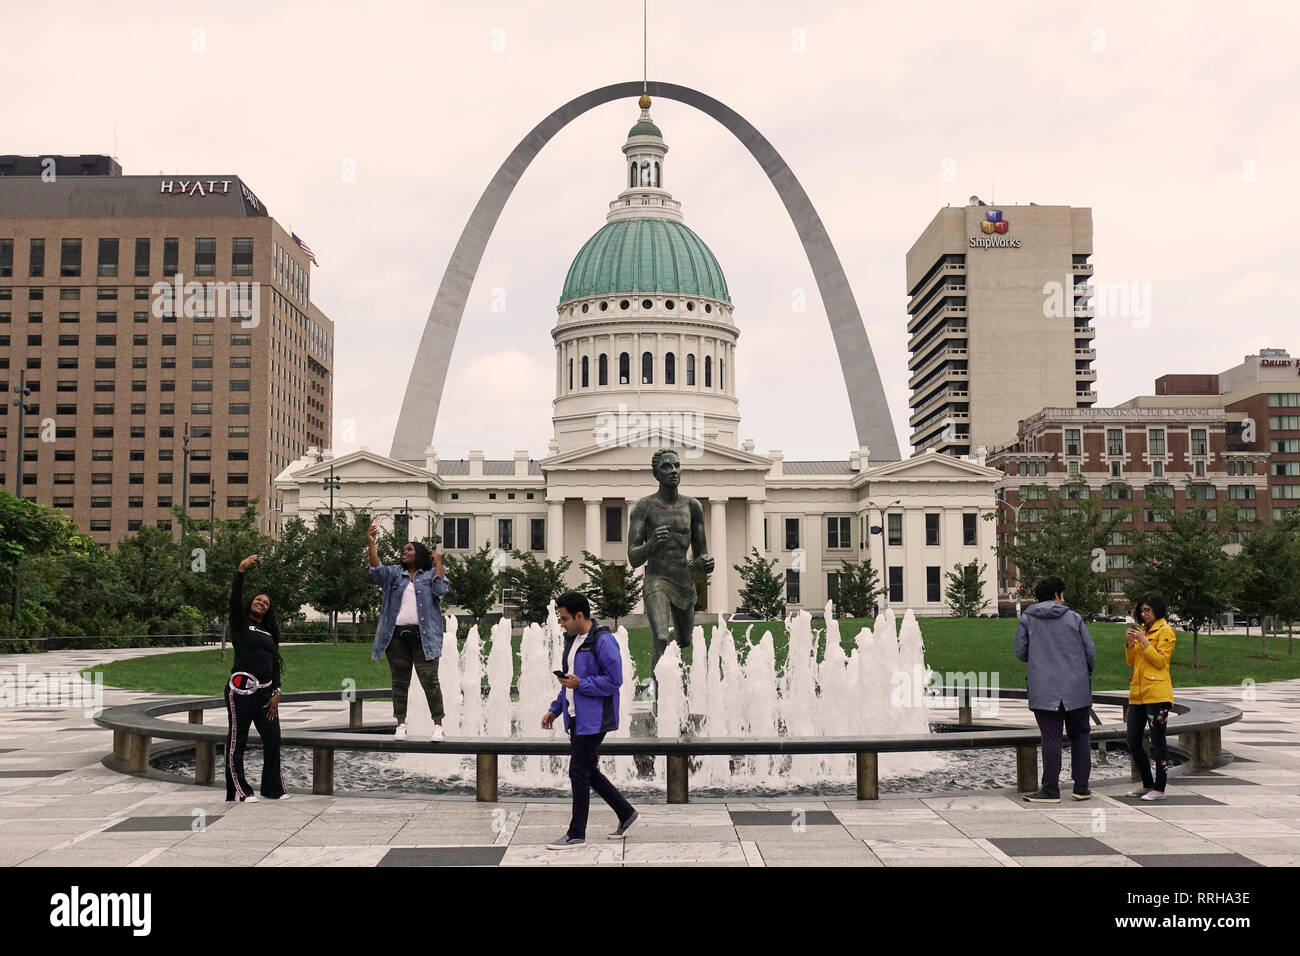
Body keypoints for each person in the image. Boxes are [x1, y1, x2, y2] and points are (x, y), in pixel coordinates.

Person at [541, 591, 638, 848]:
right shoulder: (572, 641)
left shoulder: (603, 641)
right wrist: (556, 709)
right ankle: (626, 813)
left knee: (578, 771)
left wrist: (581, 683)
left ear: (579, 616)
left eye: (564, 619)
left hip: (595, 719)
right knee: (588, 771)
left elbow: (614, 680)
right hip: (575, 717)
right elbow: (568, 682)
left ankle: (576, 834)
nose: (561, 623)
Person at [628, 448, 714, 680]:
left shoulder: (692, 507)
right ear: (656, 474)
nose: (673, 471)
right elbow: (634, 558)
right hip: (657, 580)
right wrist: (652, 542)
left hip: (683, 582)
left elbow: (699, 555)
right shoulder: (644, 507)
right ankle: (659, 700)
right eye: (667, 467)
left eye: (676, 465)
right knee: (661, 638)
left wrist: (705, 562)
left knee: (684, 640)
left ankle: (676, 679)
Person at [1014, 575, 1097, 803]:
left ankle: (1050, 789)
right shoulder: (1074, 618)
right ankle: (1081, 787)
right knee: (1081, 735)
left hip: (1044, 688)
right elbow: (1090, 651)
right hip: (1076, 687)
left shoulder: (1027, 619)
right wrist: (1085, 672)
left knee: (1051, 738)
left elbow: (1020, 651)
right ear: (1058, 595)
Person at [367, 518, 450, 741]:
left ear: (419, 554)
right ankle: (401, 725)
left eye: (409, 549)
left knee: (430, 681)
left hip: (425, 638)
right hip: (396, 637)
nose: (404, 552)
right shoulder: (394, 573)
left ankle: (438, 725)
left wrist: (438, 563)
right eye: (403, 550)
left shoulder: (429, 575)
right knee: (399, 682)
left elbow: (441, 589)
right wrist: (371, 543)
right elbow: (376, 570)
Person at [225, 554, 287, 802]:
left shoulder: (268, 631)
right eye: (258, 600)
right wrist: (241, 570)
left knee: (272, 739)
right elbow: (233, 600)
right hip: (241, 690)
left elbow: (275, 664)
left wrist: (277, 693)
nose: (262, 603)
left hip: (265, 694)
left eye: (266, 603)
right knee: (237, 741)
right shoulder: (241, 624)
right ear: (251, 602)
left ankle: (272, 788)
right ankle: (239, 790)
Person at [1125, 592, 1176, 801]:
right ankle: (1147, 783)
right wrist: (1130, 643)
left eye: (1147, 610)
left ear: (1157, 610)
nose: (1144, 614)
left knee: (1158, 740)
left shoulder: (1165, 631)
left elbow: (1160, 662)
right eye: (1141, 610)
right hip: (1138, 694)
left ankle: (1160, 788)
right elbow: (1131, 662)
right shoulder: (1143, 632)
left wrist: (1144, 641)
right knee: (1133, 740)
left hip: (1157, 694)